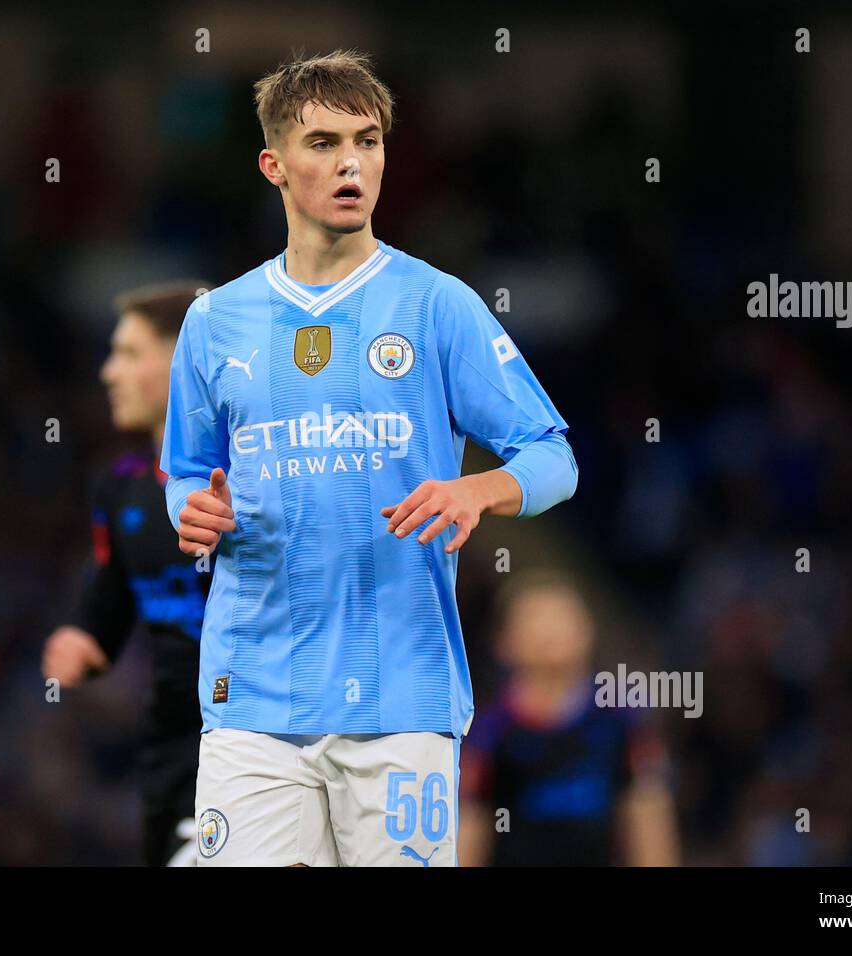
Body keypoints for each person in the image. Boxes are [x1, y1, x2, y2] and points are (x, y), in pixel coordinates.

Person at [161, 49, 579, 866]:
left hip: (401, 697)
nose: (352, 161)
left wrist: (478, 491)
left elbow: (553, 456)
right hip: (251, 701)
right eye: (323, 143)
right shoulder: (215, 323)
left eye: (369, 139)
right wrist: (191, 510)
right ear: (273, 165)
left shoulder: (437, 305)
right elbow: (183, 473)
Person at [42, 282, 213, 866]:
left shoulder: (258, 477)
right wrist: (87, 638)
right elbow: (110, 602)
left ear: (187, 359)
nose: (109, 372)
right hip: (171, 747)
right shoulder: (121, 489)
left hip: (264, 738)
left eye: (131, 354)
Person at [459, 571, 680, 866]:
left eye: (561, 617)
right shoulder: (489, 732)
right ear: (504, 641)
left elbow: (649, 815)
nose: (550, 630)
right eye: (535, 618)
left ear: (587, 630)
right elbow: (471, 827)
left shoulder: (620, 720)